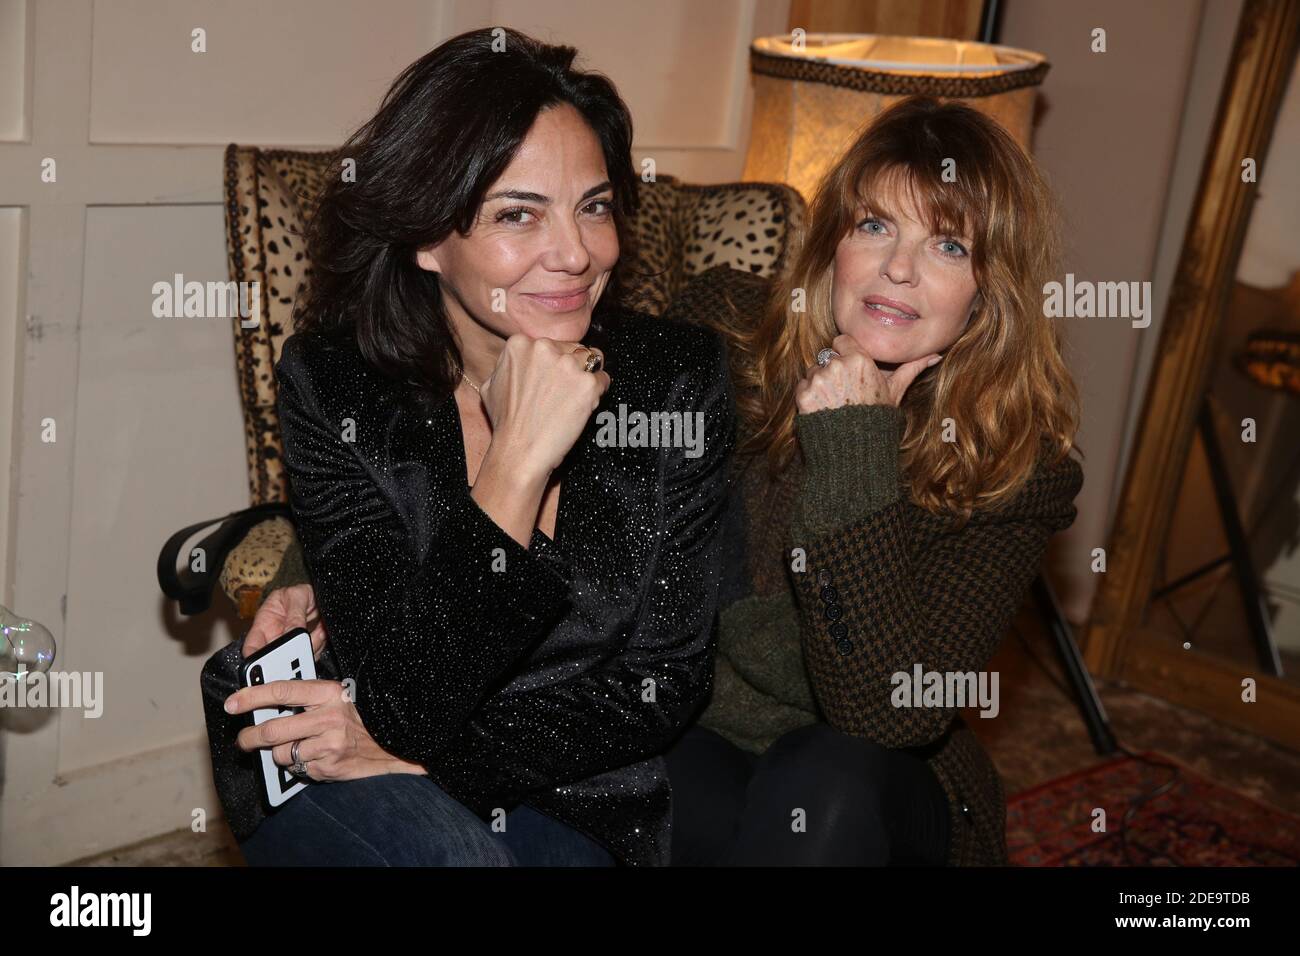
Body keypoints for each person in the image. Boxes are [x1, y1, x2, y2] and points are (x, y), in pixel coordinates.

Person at [246, 96, 1084, 866]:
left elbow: (886, 715)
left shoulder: (1018, 468)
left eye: (947, 246)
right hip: (688, 736)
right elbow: (452, 470)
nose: (898, 269)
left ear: (990, 290)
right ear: (834, 241)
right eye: (874, 226)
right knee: (610, 799)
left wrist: (856, 447)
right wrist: (316, 568)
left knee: (820, 780)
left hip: (875, 784)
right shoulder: (726, 335)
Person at [199, 26, 735, 868]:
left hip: (580, 788)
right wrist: (517, 463)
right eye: (518, 214)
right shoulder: (337, 385)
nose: (576, 253)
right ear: (425, 235)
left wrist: (428, 752)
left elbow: (664, 683)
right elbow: (401, 694)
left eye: (593, 206)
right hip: (349, 763)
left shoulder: (674, 380)